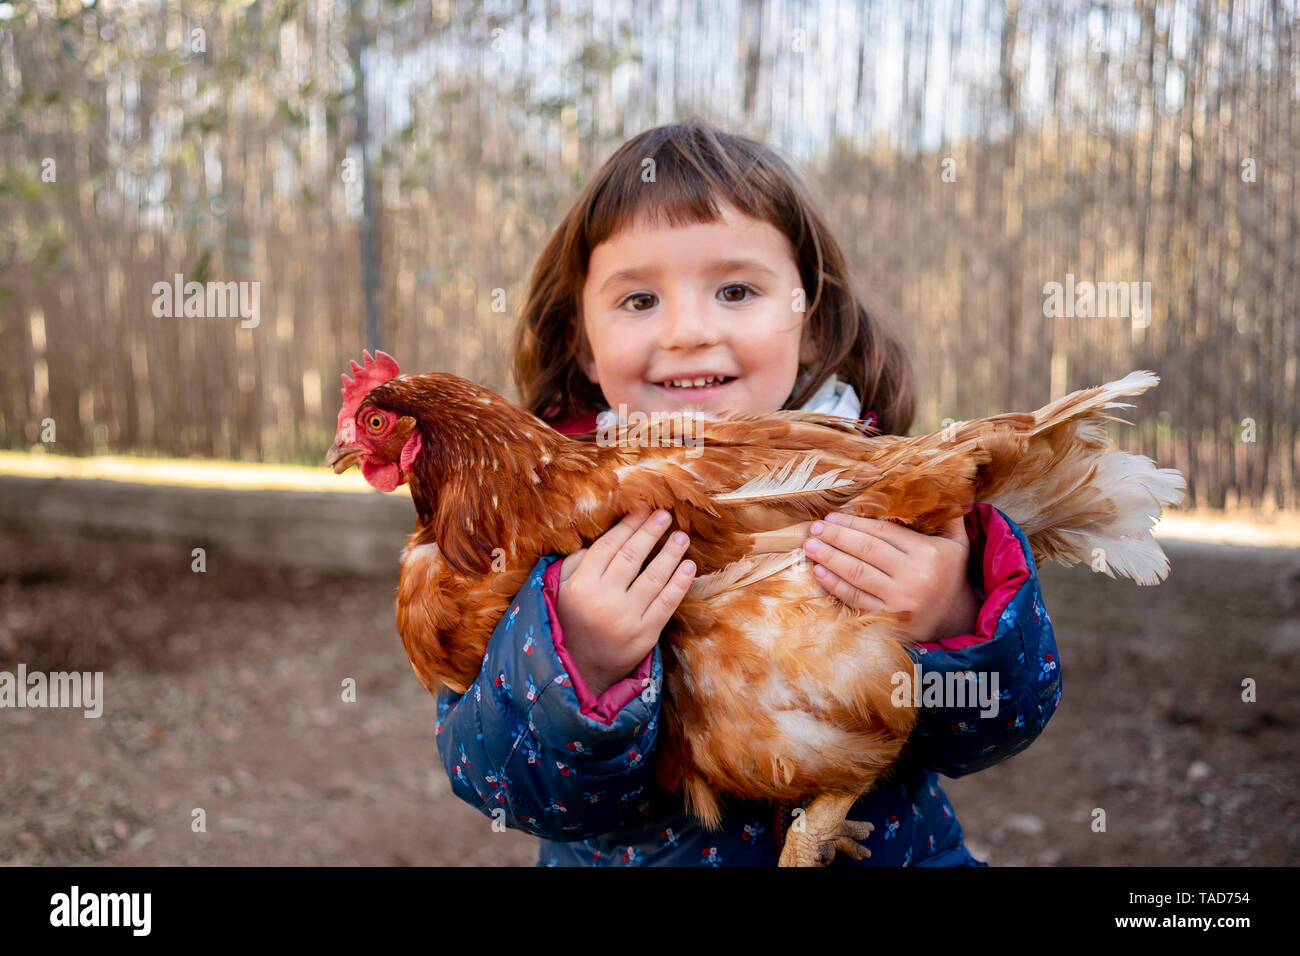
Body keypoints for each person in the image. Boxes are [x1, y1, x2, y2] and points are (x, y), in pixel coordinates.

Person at [435, 120, 1061, 866]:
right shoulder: (540, 532)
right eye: (639, 301)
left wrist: (955, 621)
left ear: (812, 319)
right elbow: (505, 787)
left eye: (736, 290)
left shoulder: (873, 488)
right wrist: (577, 655)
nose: (690, 331)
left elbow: (998, 725)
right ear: (581, 342)